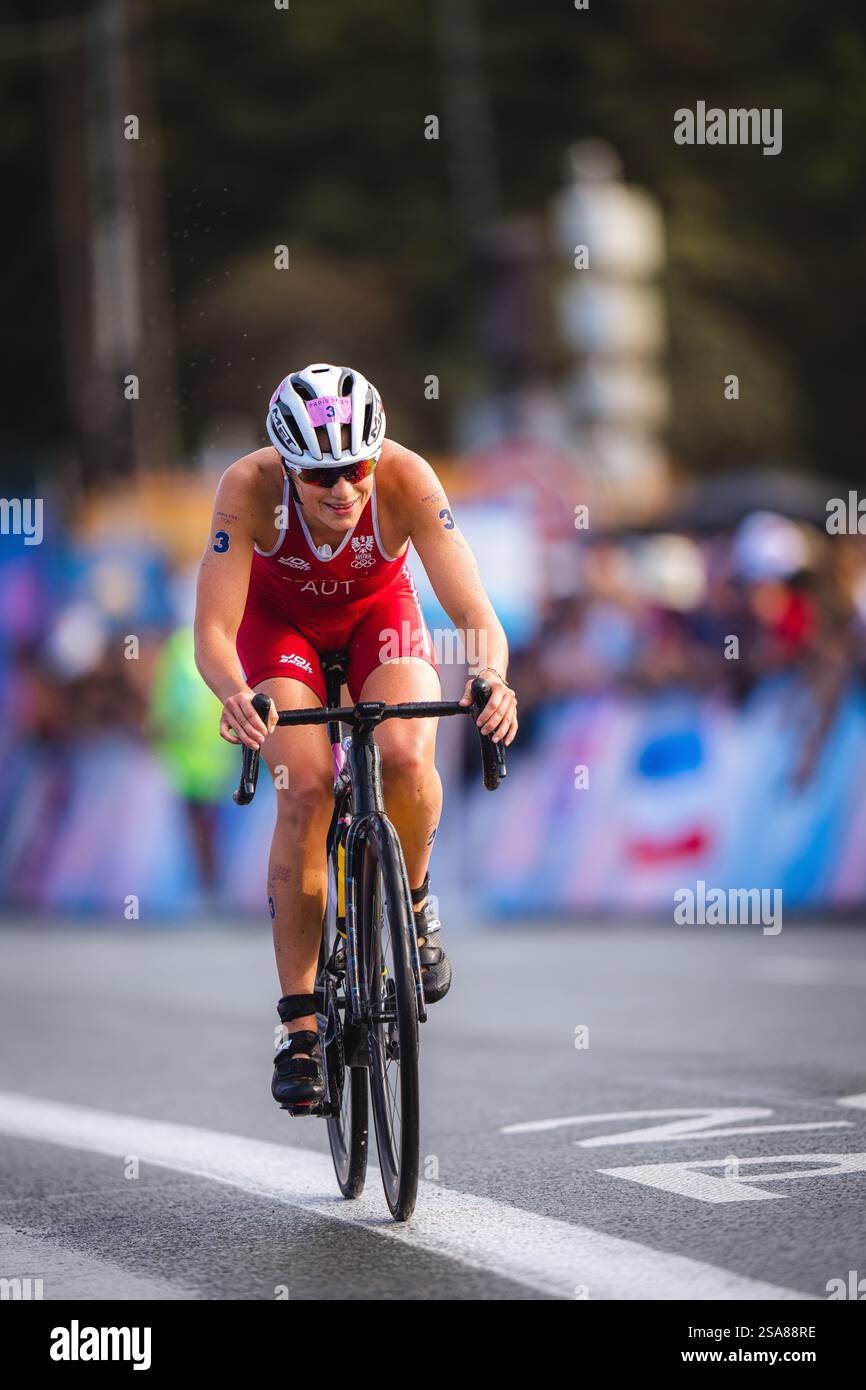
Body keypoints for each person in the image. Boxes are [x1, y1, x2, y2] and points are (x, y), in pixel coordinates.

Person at [194, 363, 517, 1107]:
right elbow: (214, 629)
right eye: (320, 475)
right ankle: (299, 1025)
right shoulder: (248, 488)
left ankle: (414, 896)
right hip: (282, 635)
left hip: (381, 619)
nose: (342, 490)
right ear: (286, 465)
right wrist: (235, 694)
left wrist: (493, 677)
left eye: (356, 469)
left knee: (406, 749)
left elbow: (475, 613)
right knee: (304, 790)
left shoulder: (406, 477)